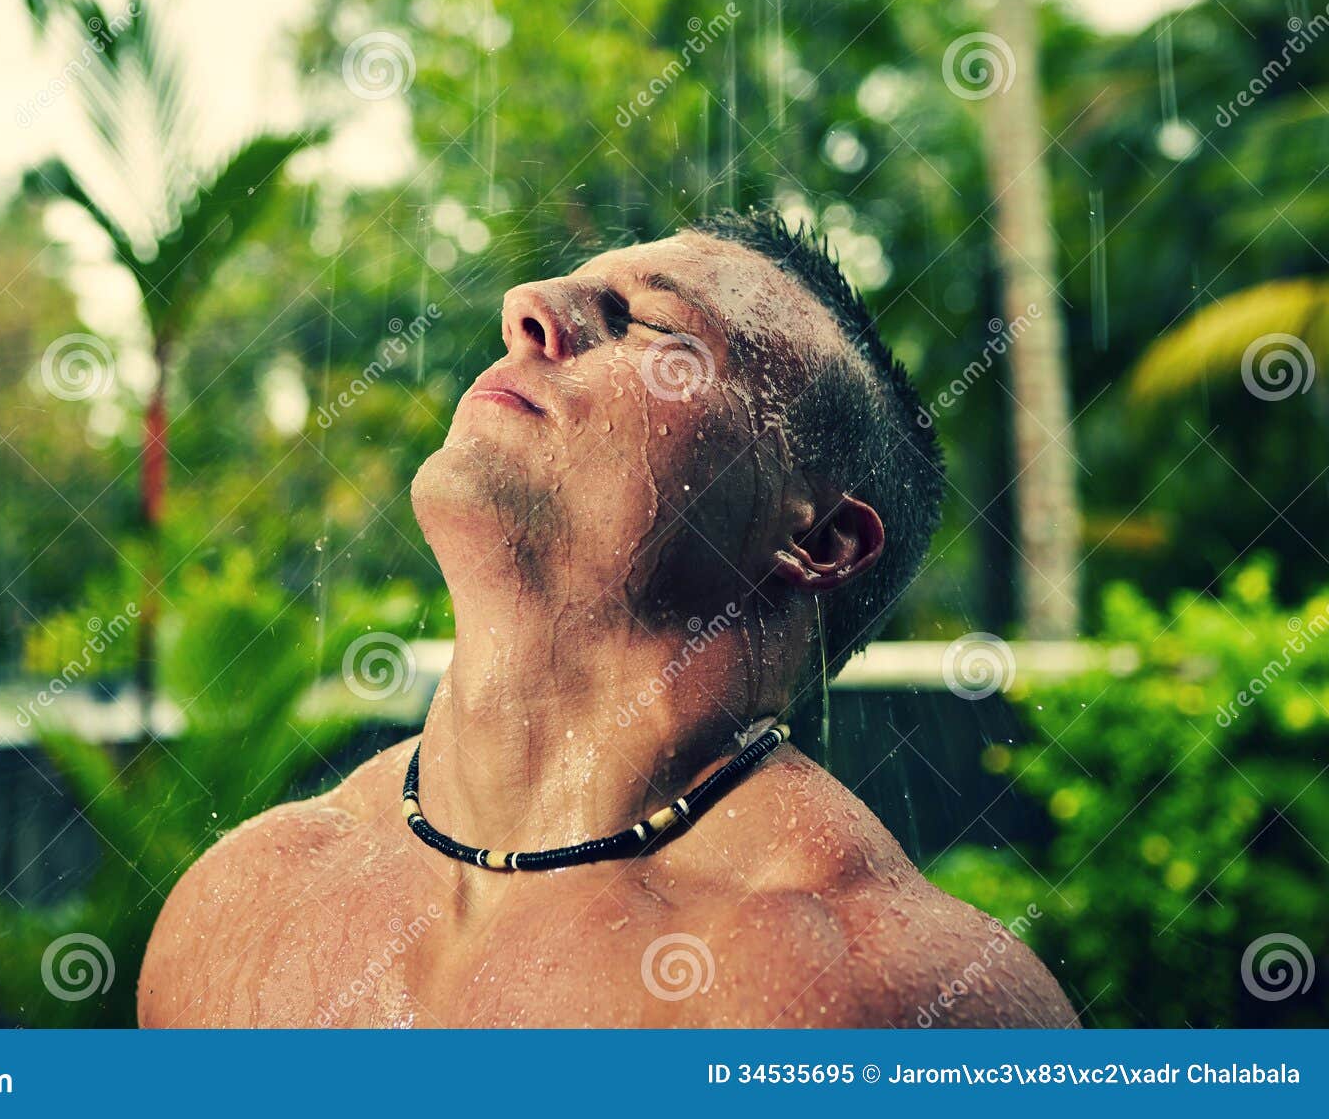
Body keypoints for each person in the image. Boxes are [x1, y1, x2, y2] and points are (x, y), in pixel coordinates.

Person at [138, 209, 1076, 1028]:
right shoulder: (242, 903)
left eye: (653, 322)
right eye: (565, 288)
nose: (526, 306)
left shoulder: (890, 1001)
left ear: (821, 539)